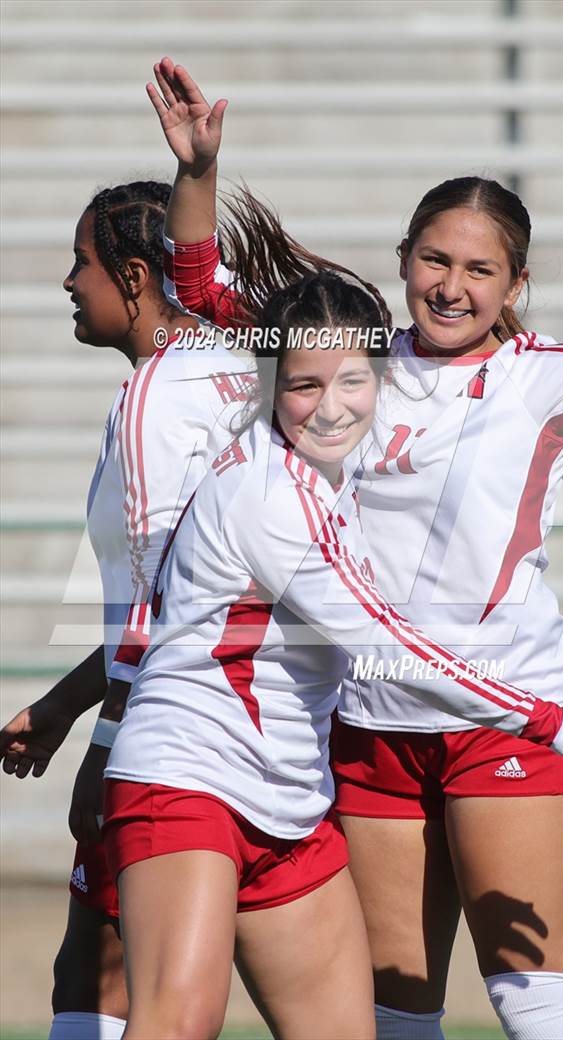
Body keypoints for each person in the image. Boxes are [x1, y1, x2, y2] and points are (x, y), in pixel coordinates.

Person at [151, 55, 563, 1040]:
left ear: (517, 280)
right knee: (395, 1013)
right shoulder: (354, 360)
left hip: (511, 712)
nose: (452, 284)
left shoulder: (544, 379)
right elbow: (204, 299)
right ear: (402, 257)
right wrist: (198, 172)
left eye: (478, 268)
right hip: (374, 714)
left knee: (532, 998)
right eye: (434, 258)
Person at [101, 263, 563, 1040]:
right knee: (176, 1025)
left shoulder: (338, 468)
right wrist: (551, 722)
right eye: (303, 386)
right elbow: (384, 643)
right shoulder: (271, 492)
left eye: (351, 383)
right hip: (192, 777)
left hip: (290, 803)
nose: (330, 409)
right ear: (271, 385)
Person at [0, 180, 252, 1040]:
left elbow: (160, 607)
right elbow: (178, 589)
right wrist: (67, 705)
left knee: (138, 985)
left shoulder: (157, 397)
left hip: (184, 732)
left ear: (135, 276)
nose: (70, 282)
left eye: (82, 263)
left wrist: (104, 745)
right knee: (93, 958)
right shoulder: (224, 372)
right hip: (240, 715)